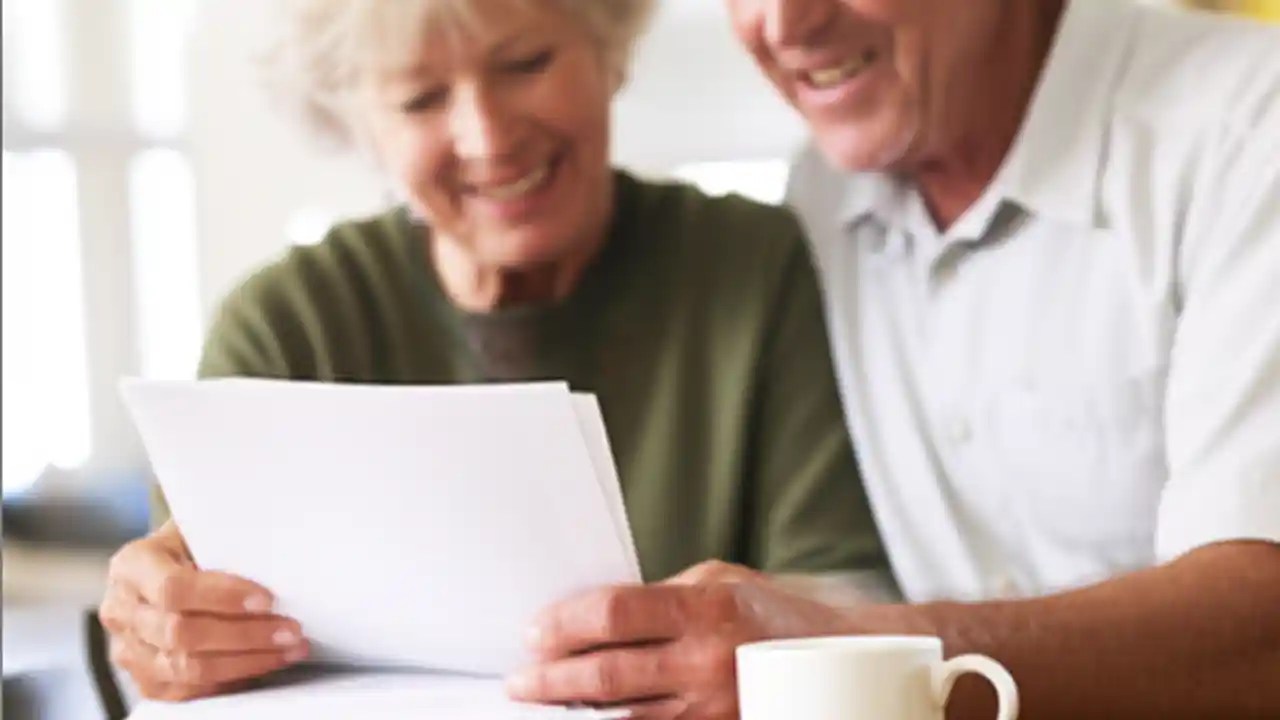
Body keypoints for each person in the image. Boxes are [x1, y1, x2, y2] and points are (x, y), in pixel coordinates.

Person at [97, 0, 892, 703]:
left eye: (526, 63)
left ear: (609, 48)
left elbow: (847, 605)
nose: (487, 136)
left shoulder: (752, 266)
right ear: (362, 129)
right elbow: (188, 630)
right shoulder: (284, 324)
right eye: (420, 98)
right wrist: (165, 632)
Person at [508, 0, 1280, 717]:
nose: (785, 24)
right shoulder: (819, 196)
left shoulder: (1249, 125)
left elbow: (1264, 624)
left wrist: (849, 656)